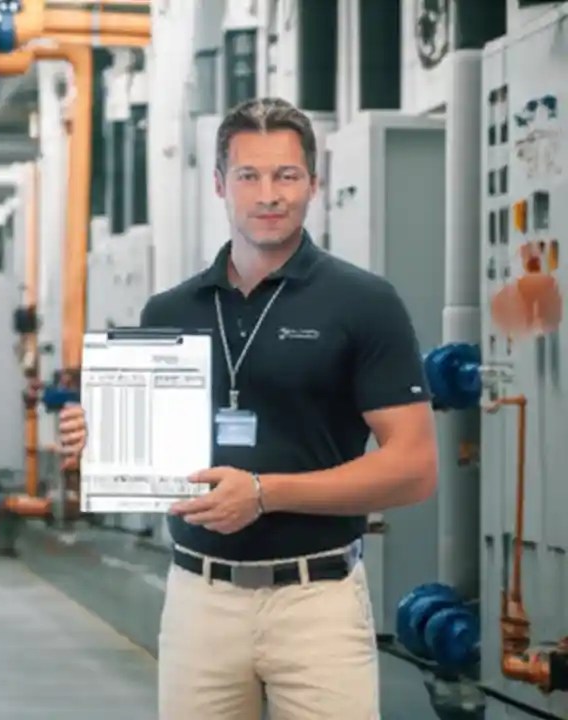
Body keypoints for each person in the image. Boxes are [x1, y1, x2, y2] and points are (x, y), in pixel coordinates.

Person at [58, 97, 439, 720]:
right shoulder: (169, 313)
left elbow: (415, 468)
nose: (269, 194)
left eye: (286, 175)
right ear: (219, 184)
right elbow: (156, 460)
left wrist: (263, 492)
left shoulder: (365, 303)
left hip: (316, 601)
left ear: (313, 184)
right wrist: (98, 440)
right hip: (197, 599)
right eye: (249, 175)